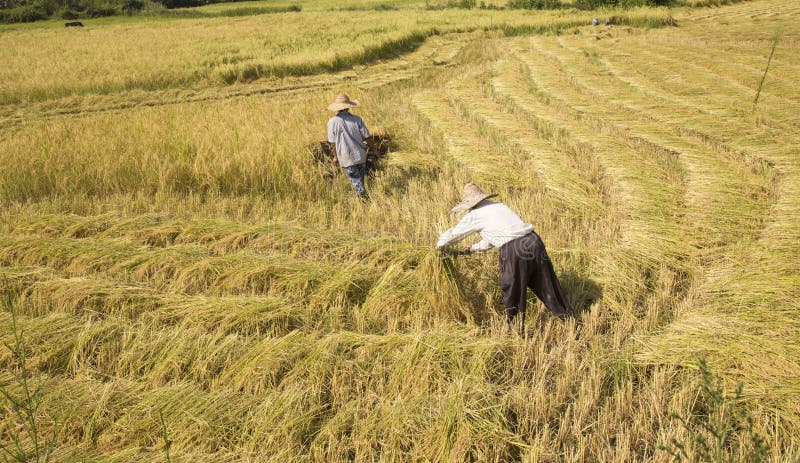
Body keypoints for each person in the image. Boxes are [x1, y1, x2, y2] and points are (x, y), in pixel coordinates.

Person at [436, 183, 574, 328]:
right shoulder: (499, 206)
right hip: (534, 242)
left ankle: (514, 331)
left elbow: (454, 235)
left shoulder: (474, 215)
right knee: (547, 285)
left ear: (469, 203)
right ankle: (570, 320)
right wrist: (474, 248)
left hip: (515, 251)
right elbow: (501, 233)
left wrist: (439, 245)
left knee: (513, 290)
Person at [327, 93, 371, 199]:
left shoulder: (332, 122)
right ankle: (363, 200)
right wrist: (374, 149)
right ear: (348, 106)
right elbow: (367, 137)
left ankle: (365, 202)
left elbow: (332, 142)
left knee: (357, 182)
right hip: (360, 155)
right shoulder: (357, 119)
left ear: (337, 108)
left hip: (346, 157)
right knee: (359, 180)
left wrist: (335, 156)